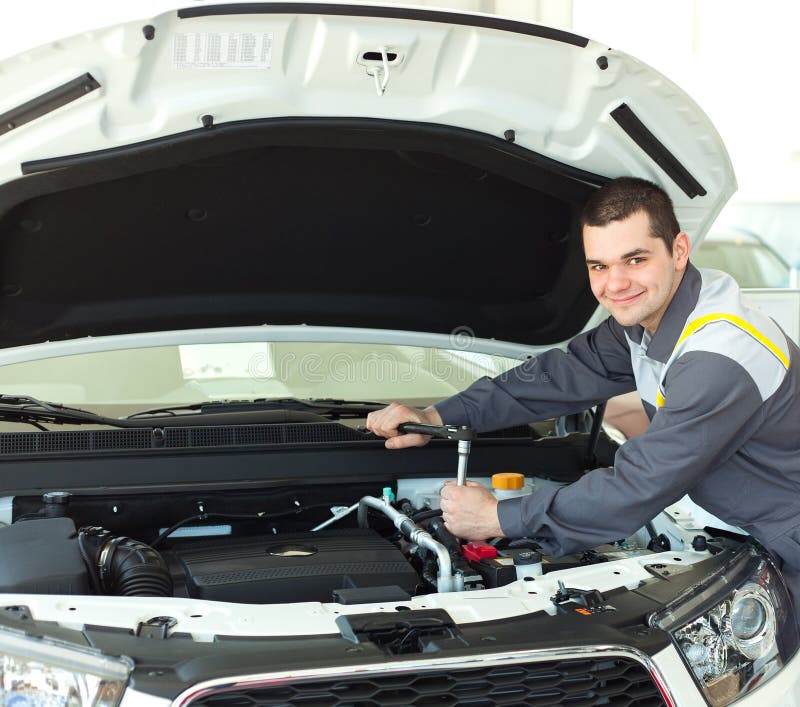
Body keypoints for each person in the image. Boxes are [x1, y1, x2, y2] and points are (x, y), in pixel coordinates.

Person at [367, 177, 800, 611]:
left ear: (679, 251)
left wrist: (498, 518)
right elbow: (560, 376)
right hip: (753, 526)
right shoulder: (645, 320)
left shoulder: (719, 356)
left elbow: (638, 485)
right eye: (599, 266)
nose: (615, 284)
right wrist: (439, 416)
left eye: (634, 259)